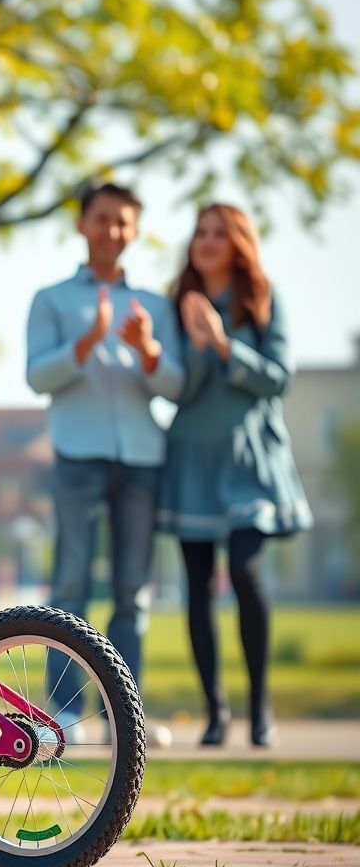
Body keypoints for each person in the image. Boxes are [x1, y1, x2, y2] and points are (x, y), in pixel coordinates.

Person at [26, 182, 184, 745]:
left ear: (135, 229)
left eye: (123, 221)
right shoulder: (51, 299)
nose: (112, 230)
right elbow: (37, 377)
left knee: (132, 592)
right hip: (77, 455)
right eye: (102, 218)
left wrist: (148, 350)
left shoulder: (156, 307)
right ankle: (62, 711)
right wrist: (89, 339)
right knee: (71, 582)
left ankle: (124, 718)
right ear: (82, 224)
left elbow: (176, 386)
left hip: (142, 457)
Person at [158, 204, 312, 748]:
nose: (206, 242)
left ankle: (260, 706)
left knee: (245, 574)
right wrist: (196, 348)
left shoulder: (263, 298)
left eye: (218, 234)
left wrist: (225, 343)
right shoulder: (176, 303)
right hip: (192, 462)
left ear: (239, 243)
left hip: (249, 462)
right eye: (200, 233)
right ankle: (215, 712)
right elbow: (176, 387)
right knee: (197, 587)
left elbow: (278, 378)